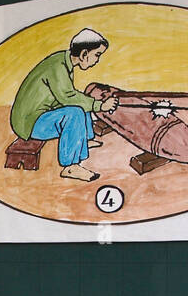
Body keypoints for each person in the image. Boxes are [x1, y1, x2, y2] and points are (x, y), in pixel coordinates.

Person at [9, 28, 120, 182]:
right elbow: (68, 97)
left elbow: (70, 96)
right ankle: (70, 166)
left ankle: (84, 139)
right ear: (84, 54)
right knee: (74, 112)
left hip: (42, 114)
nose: (97, 60)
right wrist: (100, 105)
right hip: (30, 122)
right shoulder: (58, 66)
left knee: (81, 101)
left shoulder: (64, 61)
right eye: (97, 55)